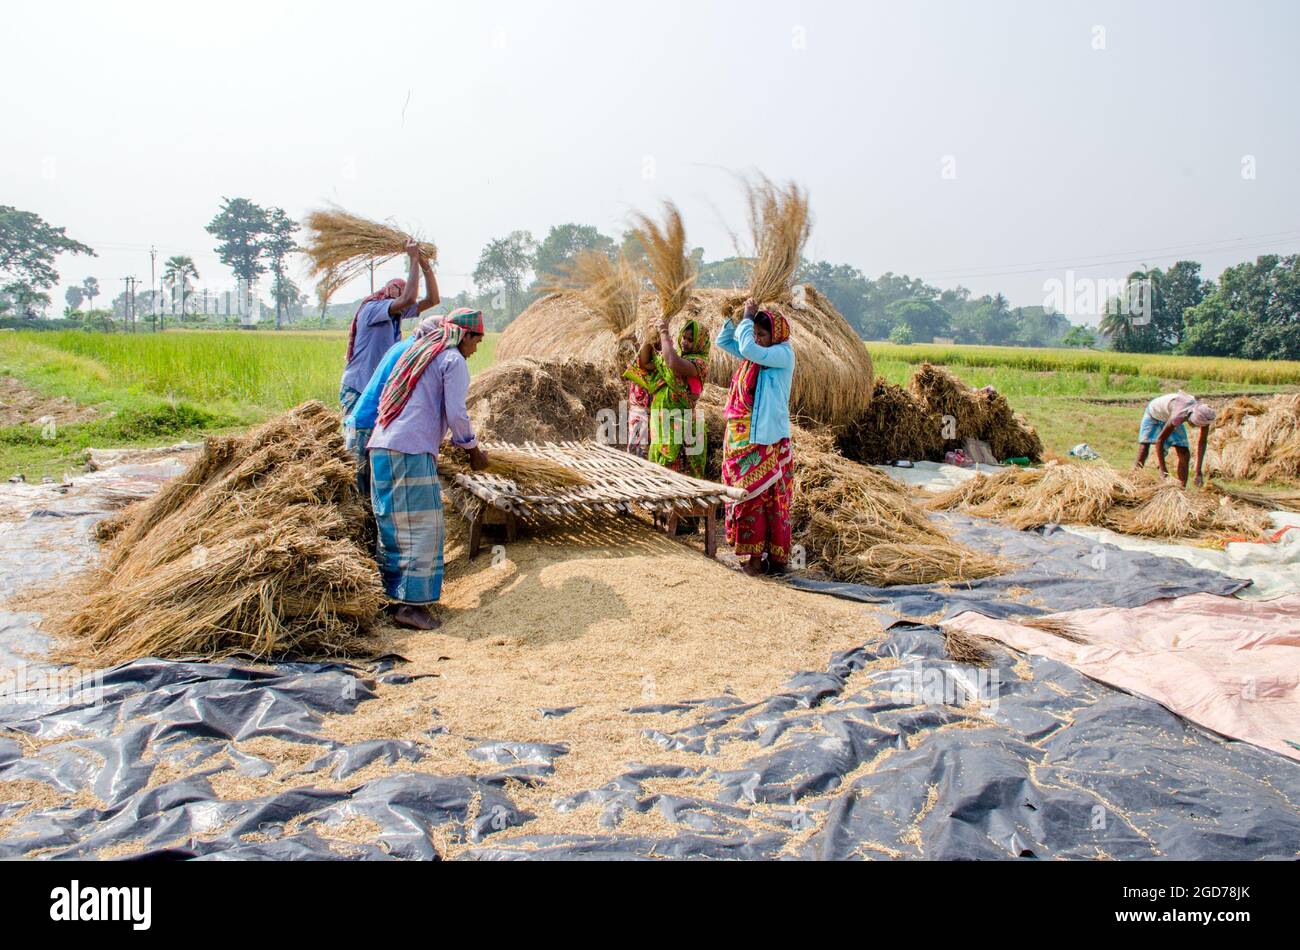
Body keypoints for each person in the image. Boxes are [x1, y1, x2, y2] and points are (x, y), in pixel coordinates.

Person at [367, 308, 489, 631]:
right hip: (411, 449)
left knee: (393, 525)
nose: (476, 350)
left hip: (381, 446)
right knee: (425, 526)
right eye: (477, 341)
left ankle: (391, 597)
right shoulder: (452, 360)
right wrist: (472, 450)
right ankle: (411, 607)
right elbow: (457, 412)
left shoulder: (419, 352)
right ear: (466, 336)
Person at [714, 298, 795, 576]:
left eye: (763, 335)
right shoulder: (755, 355)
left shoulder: (782, 355)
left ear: (776, 336)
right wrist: (733, 316)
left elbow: (747, 346)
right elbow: (724, 341)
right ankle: (751, 558)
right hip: (740, 440)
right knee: (744, 498)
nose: (757, 340)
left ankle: (765, 561)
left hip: (765, 440)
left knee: (762, 500)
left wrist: (749, 316)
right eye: (757, 334)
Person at [344, 313, 446, 500]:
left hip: (363, 422)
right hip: (369, 425)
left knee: (368, 497)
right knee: (366, 499)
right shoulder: (414, 352)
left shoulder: (403, 346)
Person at [338, 240, 440, 414]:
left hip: (375, 388)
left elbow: (432, 300)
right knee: (358, 436)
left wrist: (426, 266)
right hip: (358, 387)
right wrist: (413, 259)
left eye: (404, 290)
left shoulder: (396, 313)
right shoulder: (372, 309)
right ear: (388, 290)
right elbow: (407, 299)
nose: (401, 294)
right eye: (398, 289)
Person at [625, 317, 711, 478]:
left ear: (700, 342)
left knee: (681, 476)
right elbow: (645, 363)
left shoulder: (699, 363)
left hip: (682, 427)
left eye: (690, 340)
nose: (684, 342)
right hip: (663, 425)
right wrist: (651, 337)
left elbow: (671, 362)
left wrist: (664, 332)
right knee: (660, 474)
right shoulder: (677, 357)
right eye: (684, 337)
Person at [1135, 391, 1217, 487]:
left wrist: (1198, 472)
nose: (1194, 427)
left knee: (1184, 452)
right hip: (1154, 414)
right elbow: (1160, 440)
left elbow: (1202, 442)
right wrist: (1163, 469)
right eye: (1194, 424)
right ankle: (1134, 478)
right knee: (1144, 447)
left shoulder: (1205, 415)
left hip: (1170, 415)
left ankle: (1182, 489)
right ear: (1191, 418)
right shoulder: (1179, 416)